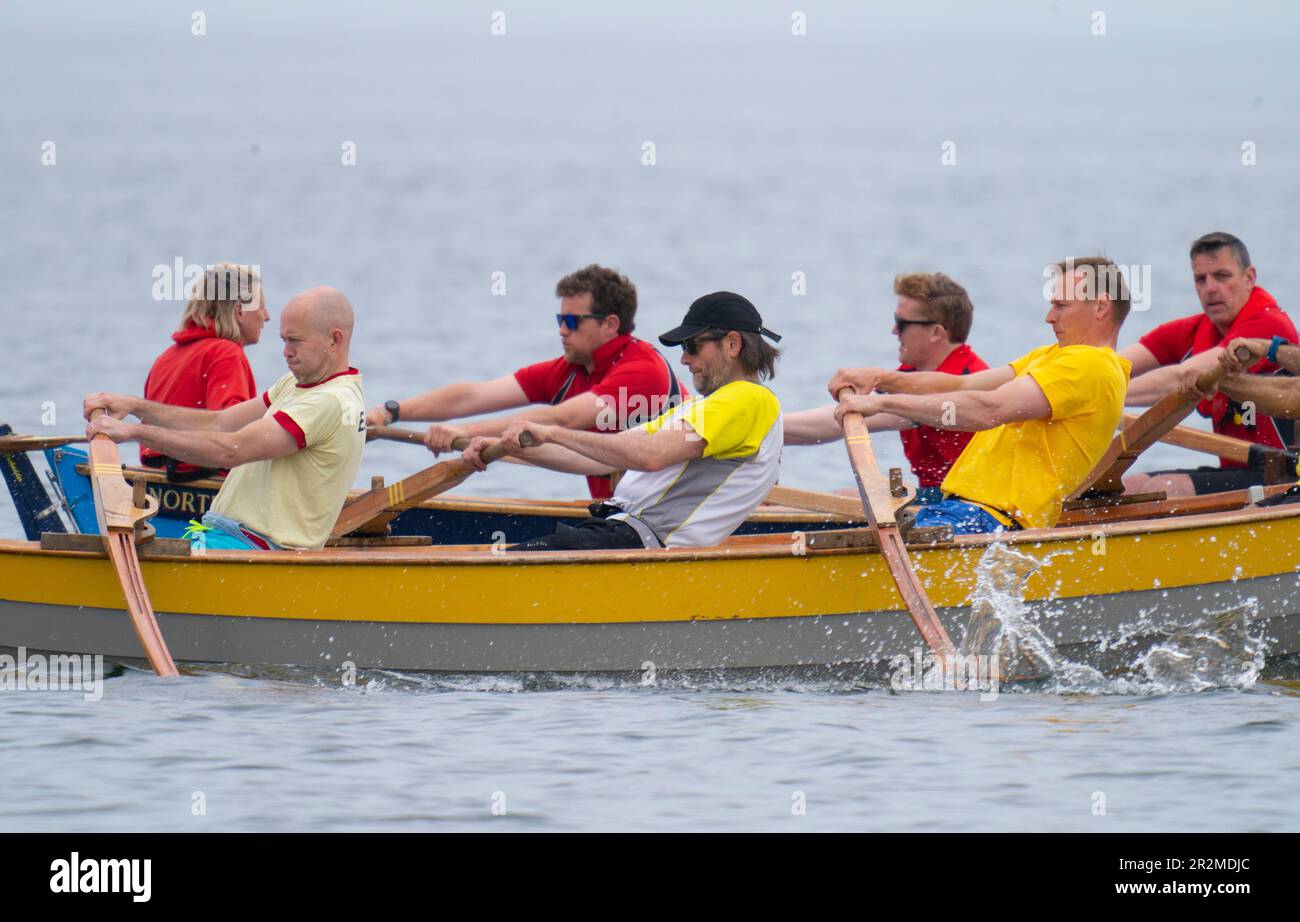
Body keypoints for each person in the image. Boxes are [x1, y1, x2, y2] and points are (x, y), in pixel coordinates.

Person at [830, 256, 1132, 533]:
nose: (1049, 317)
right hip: (963, 511)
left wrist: (880, 402)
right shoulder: (1052, 356)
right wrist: (880, 378)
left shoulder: (1089, 365)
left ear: (1101, 308)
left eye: (1061, 305)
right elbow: (962, 386)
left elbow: (988, 409)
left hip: (992, 520)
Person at [460, 292, 783, 550]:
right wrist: (507, 447)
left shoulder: (748, 399)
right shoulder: (703, 407)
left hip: (639, 546)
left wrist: (554, 432)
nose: (684, 359)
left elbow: (650, 455)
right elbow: (594, 458)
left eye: (692, 346)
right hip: (619, 537)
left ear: (732, 344)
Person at [366, 264, 687, 500]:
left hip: (674, 515)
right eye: (560, 320)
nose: (562, 330)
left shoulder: (642, 370)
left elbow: (562, 419)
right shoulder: (569, 370)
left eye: (571, 321)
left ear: (610, 325)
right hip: (624, 514)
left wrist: (465, 432)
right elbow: (472, 396)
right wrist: (389, 412)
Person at [83, 287, 364, 551]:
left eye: (295, 341)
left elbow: (231, 450)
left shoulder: (330, 400)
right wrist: (133, 406)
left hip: (257, 550)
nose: (286, 352)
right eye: (283, 340)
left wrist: (134, 433)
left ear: (334, 339)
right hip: (228, 536)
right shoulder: (294, 384)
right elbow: (220, 423)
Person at [784, 272, 988, 502]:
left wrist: (764, 429)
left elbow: (834, 421)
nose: (894, 330)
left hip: (973, 502)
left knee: (839, 501)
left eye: (902, 323)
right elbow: (850, 411)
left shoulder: (964, 377)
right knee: (834, 499)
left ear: (936, 333)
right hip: (938, 495)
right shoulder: (911, 375)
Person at [1121, 232, 1296, 496]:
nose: (1210, 288)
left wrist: (1103, 398)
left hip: (1284, 473)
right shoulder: (1194, 330)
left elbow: (1184, 375)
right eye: (1200, 279)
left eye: (1222, 276)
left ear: (1249, 278)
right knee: (1126, 487)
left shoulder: (1267, 325)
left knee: (1164, 489)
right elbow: (1114, 366)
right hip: (1240, 470)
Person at [141, 262, 269, 481]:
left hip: (159, 486)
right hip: (205, 492)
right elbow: (233, 437)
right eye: (261, 307)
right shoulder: (226, 354)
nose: (266, 316)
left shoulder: (165, 358)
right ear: (240, 311)